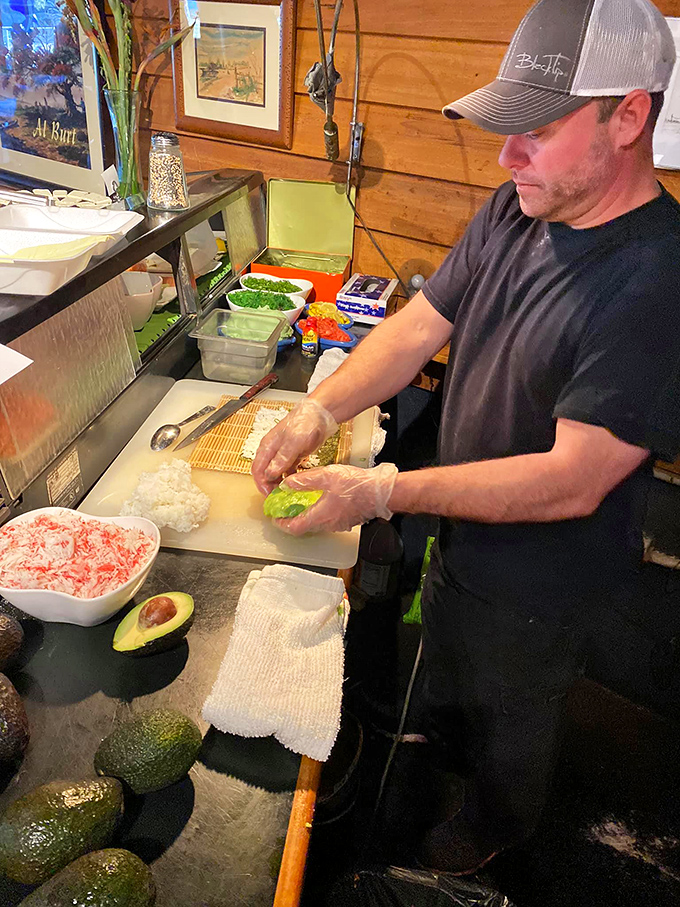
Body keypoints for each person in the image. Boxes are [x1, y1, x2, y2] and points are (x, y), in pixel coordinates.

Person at [253, 0, 680, 876]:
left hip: (543, 589)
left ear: (629, 116)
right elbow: (419, 327)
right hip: (461, 544)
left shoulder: (657, 280)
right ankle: (434, 766)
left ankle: (495, 834)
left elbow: (572, 478)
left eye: (538, 130)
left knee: (513, 727)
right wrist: (317, 411)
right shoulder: (518, 207)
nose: (505, 155)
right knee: (445, 677)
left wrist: (384, 490)